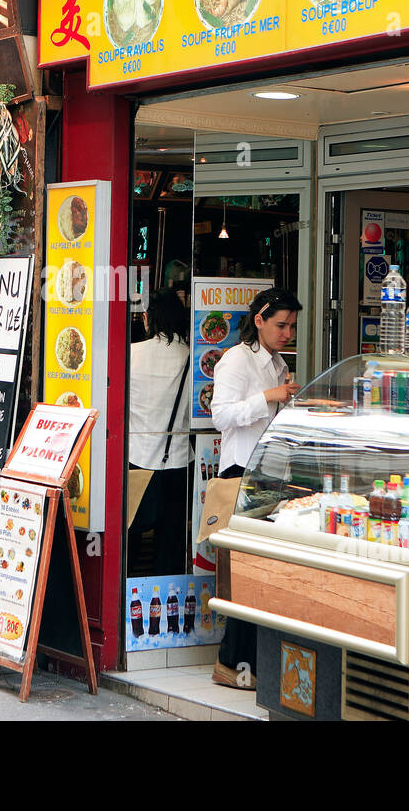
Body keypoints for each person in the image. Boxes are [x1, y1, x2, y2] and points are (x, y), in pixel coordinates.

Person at [208, 287, 302, 689]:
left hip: (269, 475)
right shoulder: (235, 360)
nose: (287, 333)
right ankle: (232, 663)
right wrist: (269, 396)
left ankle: (249, 663)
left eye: (292, 326)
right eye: (281, 324)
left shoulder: (278, 363)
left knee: (260, 574)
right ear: (259, 321)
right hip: (241, 473)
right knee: (246, 574)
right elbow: (220, 416)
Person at [127, 289, 193, 575]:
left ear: (148, 318)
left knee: (129, 537)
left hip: (136, 459)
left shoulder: (130, 354)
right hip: (178, 462)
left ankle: (127, 601)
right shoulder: (192, 357)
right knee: (171, 543)